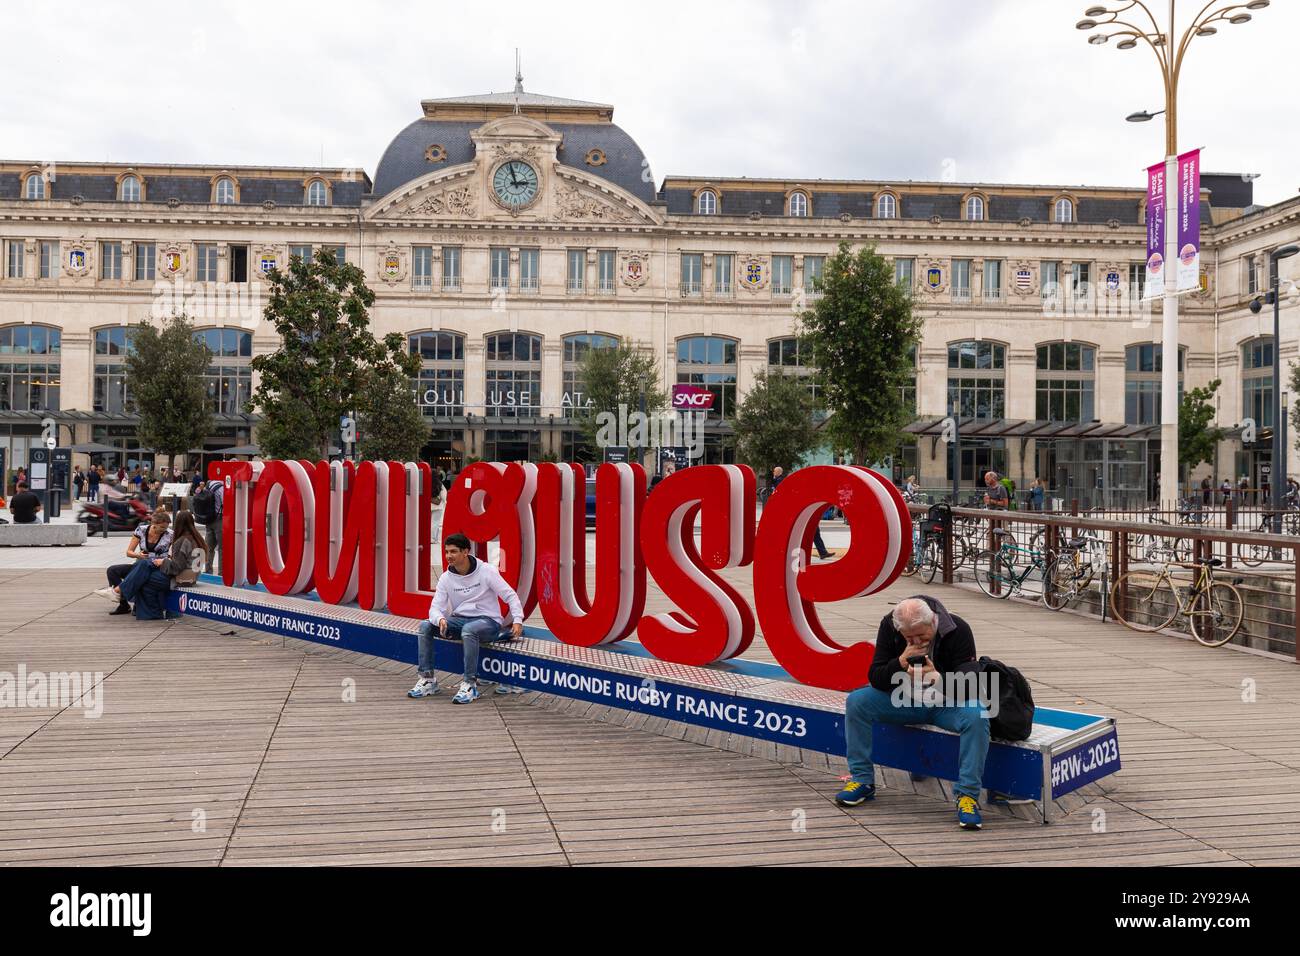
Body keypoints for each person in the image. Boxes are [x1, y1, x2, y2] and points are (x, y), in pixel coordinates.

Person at [836, 596, 989, 831]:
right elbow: (875, 677)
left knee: (977, 714)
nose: (917, 641)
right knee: (857, 701)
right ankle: (862, 780)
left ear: (934, 622)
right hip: (904, 700)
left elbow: (971, 685)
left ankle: (967, 796)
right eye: (909, 638)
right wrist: (899, 662)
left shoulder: (958, 630)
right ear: (900, 630)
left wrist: (937, 679)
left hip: (945, 703)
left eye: (922, 635)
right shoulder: (890, 626)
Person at [408, 532, 524, 704]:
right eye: (447, 552)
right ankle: (428, 680)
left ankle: (470, 684)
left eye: (453, 551)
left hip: (488, 621)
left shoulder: (487, 571)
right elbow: (435, 608)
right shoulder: (446, 578)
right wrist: (439, 619)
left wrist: (517, 619)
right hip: (460, 620)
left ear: (465, 551)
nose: (449, 556)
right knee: (425, 625)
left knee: (469, 630)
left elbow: (510, 595)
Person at [118, 510, 206, 620]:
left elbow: (176, 568)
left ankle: (123, 594)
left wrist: (163, 562)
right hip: (192, 576)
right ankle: (144, 609)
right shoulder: (197, 538)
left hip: (180, 578)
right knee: (144, 566)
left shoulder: (182, 541)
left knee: (144, 576)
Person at [95, 511, 173, 615]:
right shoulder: (141, 530)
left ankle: (118, 593)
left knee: (141, 575)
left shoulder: (170, 535)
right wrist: (138, 555)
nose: (165, 530)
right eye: (162, 527)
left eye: (166, 527)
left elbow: (172, 556)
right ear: (154, 524)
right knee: (112, 570)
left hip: (157, 567)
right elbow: (129, 552)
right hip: (140, 564)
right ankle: (123, 605)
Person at [191, 474, 223, 574]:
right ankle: (221, 572)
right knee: (222, 548)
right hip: (219, 519)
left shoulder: (208, 485)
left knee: (209, 547)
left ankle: (208, 570)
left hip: (208, 519)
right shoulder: (222, 488)